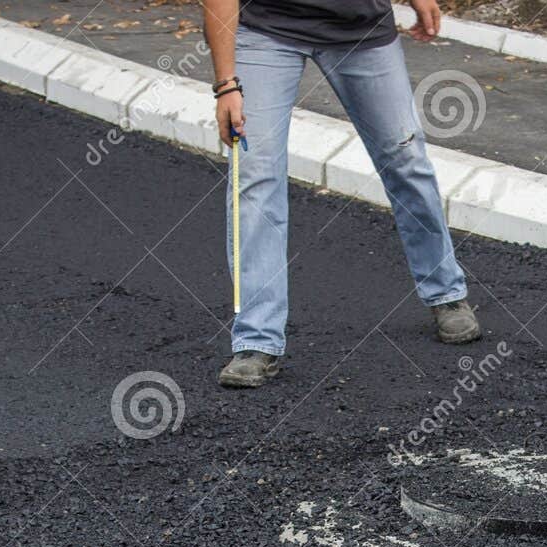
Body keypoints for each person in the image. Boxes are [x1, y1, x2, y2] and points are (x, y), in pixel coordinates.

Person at [201, 0, 481, 389]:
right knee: (254, 176)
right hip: (266, 30)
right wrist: (226, 83)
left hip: (359, 27)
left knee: (405, 159)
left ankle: (446, 293)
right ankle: (256, 340)